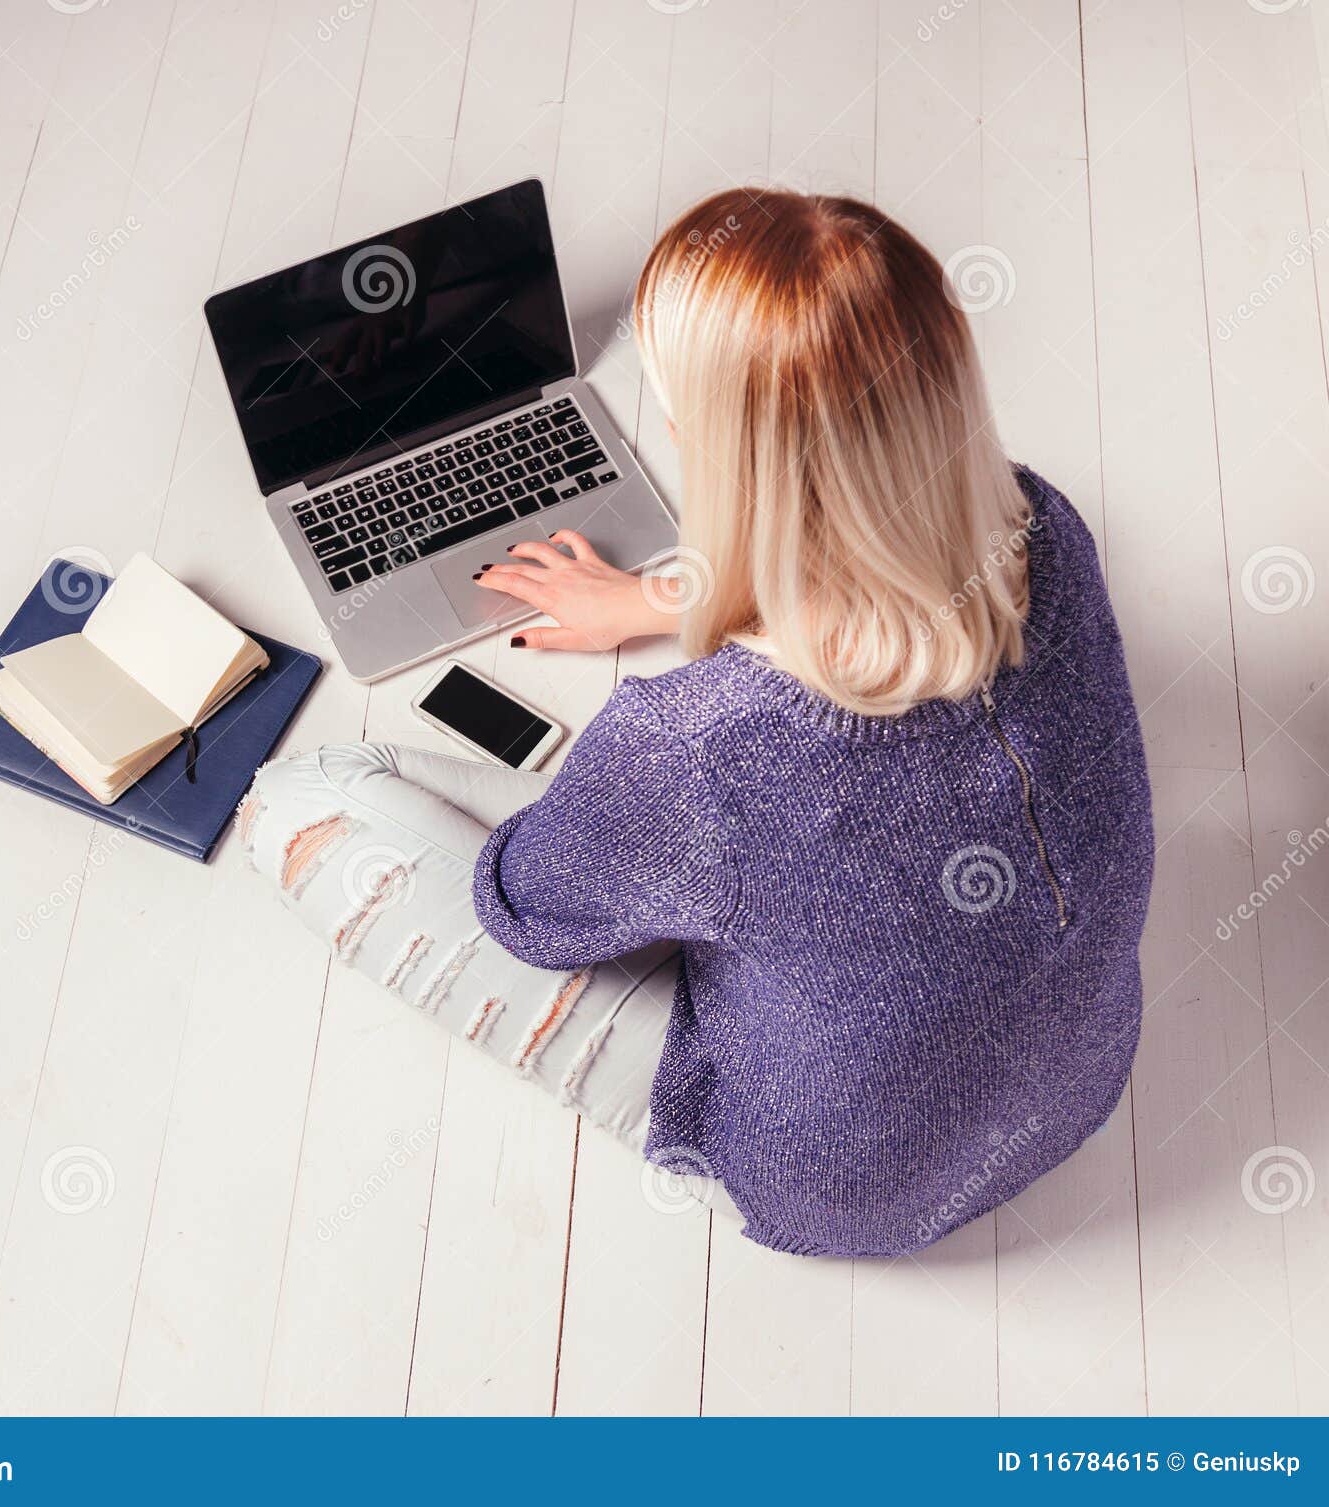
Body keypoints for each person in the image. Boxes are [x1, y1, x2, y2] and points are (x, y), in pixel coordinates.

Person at [239, 189, 1154, 1258]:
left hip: (838, 1189)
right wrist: (661, 601)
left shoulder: (699, 747)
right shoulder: (1037, 524)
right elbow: (865, 556)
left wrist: (637, 814)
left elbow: (534, 917)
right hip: (1081, 1076)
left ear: (707, 443)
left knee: (310, 796)